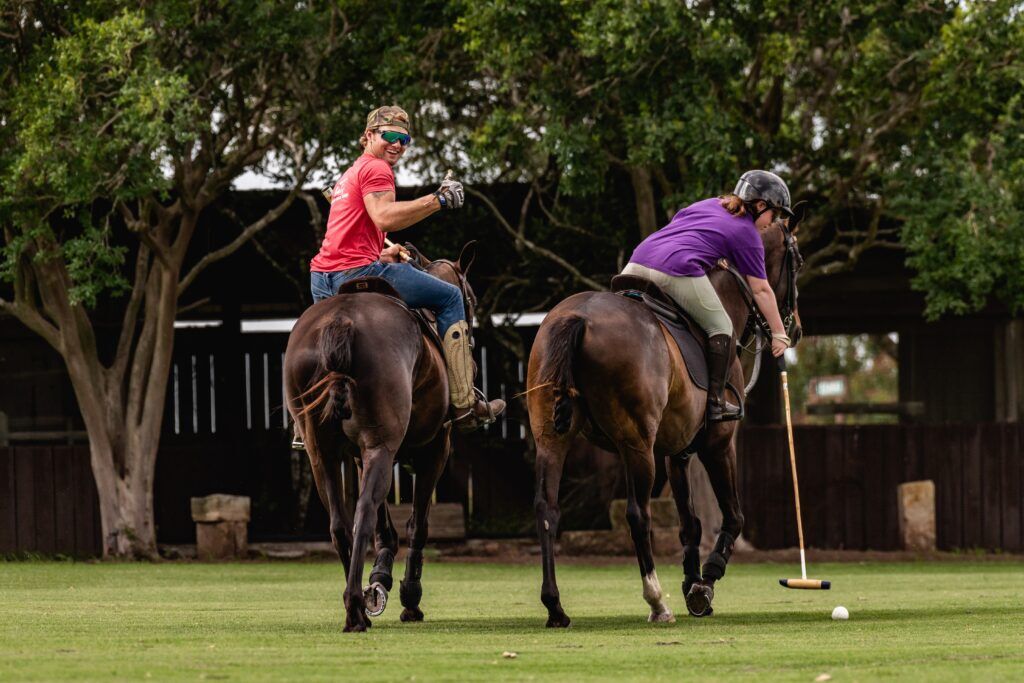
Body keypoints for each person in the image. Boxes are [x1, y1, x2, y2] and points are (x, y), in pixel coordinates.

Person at [308, 105, 505, 434]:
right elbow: (384, 218)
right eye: (391, 136)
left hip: (322, 280)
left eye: (405, 139)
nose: (398, 144)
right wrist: (438, 200)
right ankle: (464, 404)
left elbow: (351, 234)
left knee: (324, 348)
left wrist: (385, 253)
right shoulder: (377, 169)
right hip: (358, 275)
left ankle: (306, 427)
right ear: (369, 136)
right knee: (450, 296)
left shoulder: (350, 174)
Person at [621, 170, 794, 422]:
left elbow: (686, 230)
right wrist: (778, 333)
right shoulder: (749, 234)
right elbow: (761, 290)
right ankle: (715, 402)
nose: (772, 221)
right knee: (722, 327)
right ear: (759, 205)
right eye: (774, 213)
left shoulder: (712, 204)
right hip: (675, 270)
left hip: (636, 261)